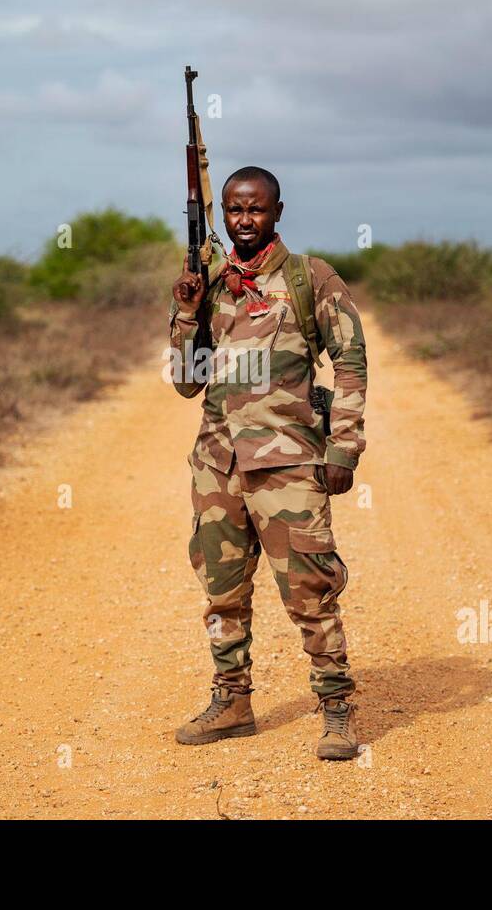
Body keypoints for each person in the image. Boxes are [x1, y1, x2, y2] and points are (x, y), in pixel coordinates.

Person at [167, 165, 368, 760]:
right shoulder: (212, 284)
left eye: (255, 209)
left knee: (310, 591)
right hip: (218, 464)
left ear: (278, 212)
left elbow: (351, 362)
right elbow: (184, 381)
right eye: (233, 210)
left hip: (288, 464)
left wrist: (345, 447)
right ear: (222, 215)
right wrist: (185, 313)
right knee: (222, 590)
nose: (243, 221)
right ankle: (232, 702)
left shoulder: (311, 279)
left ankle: (336, 709)